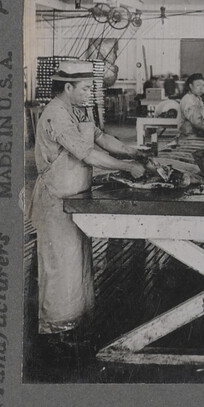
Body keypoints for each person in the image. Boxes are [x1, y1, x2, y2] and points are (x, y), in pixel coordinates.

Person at [30, 61, 148, 350]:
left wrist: (133, 152)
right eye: (84, 88)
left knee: (78, 265)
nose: (89, 93)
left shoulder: (79, 110)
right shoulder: (56, 114)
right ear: (68, 87)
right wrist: (126, 166)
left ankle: (74, 327)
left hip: (77, 198)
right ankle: (54, 335)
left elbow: (101, 138)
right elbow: (88, 154)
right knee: (60, 268)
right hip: (56, 200)